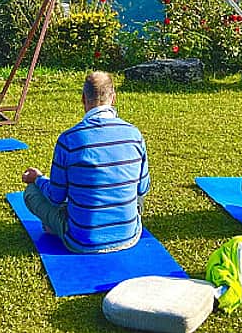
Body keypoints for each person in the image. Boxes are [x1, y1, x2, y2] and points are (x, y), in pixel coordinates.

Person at [20, 71, 149, 253]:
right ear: (113, 98)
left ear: (83, 99)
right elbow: (142, 189)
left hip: (82, 240)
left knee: (32, 192)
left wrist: (38, 179)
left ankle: (59, 226)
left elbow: (56, 196)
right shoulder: (135, 134)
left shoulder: (69, 139)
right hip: (129, 236)